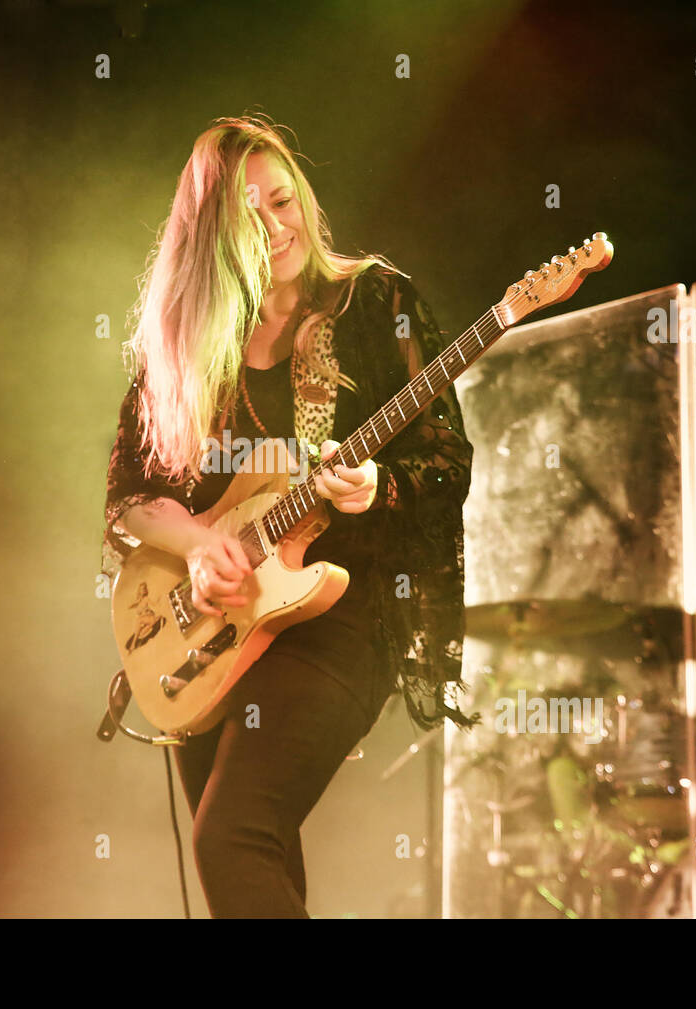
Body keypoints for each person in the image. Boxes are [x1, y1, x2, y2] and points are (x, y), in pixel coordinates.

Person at [101, 115, 475, 917]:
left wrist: (379, 482)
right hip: (216, 630)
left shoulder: (377, 301)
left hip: (344, 613)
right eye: (250, 216)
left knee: (229, 836)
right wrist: (201, 545)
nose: (278, 227)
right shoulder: (187, 340)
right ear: (210, 239)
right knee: (252, 862)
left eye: (284, 200)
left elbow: (448, 461)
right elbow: (129, 499)